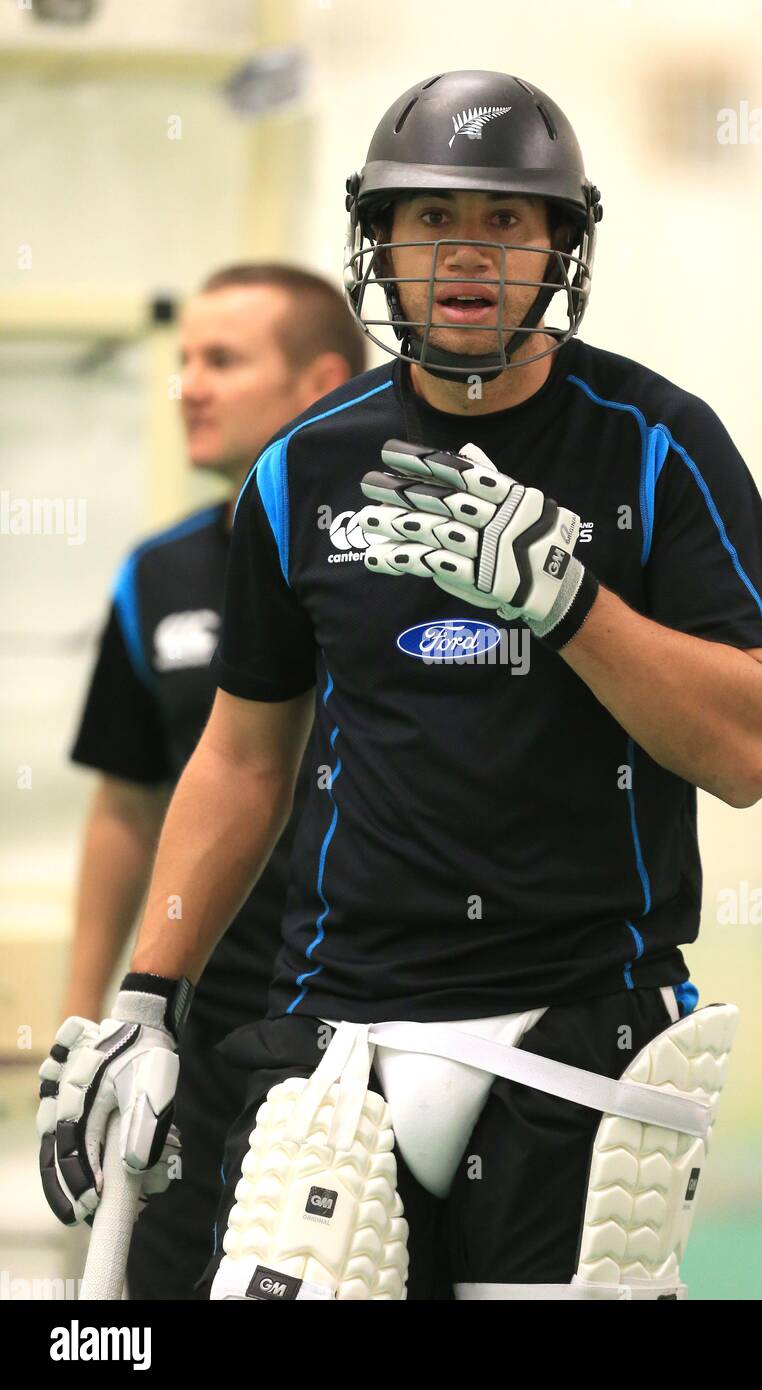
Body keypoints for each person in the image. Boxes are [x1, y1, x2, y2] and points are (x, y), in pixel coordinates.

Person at [39, 71, 762, 1301]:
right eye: (429, 216)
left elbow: (751, 752)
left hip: (582, 1022)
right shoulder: (301, 468)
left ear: (562, 243)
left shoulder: (658, 442)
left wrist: (572, 609)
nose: (466, 250)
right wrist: (146, 995)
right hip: (339, 1027)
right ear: (380, 244)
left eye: (506, 220)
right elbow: (244, 758)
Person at [54, 263, 365, 1298]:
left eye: (221, 361)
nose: (186, 384)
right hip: (194, 1032)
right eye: (183, 359)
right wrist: (85, 1018)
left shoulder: (404, 564)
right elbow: (127, 805)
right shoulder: (160, 575)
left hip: (361, 1025)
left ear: (319, 384)